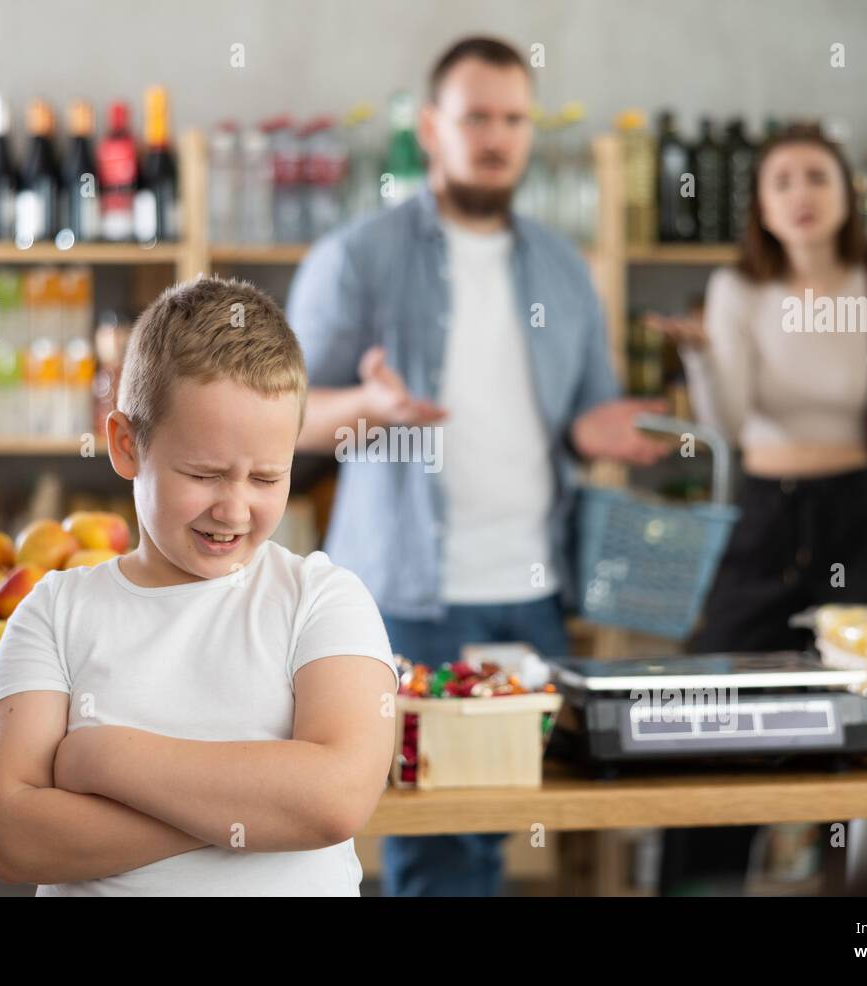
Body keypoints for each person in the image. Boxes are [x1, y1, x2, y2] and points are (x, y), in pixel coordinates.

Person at [287, 36, 670, 897]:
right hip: (403, 599)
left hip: (534, 593)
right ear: (430, 127)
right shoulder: (358, 257)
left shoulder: (566, 270)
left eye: (512, 119)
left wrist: (597, 437)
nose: (496, 137)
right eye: (475, 118)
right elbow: (285, 421)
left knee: (500, 825)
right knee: (432, 843)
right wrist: (367, 411)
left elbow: (584, 420)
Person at [0, 277, 401, 896]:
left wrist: (103, 759)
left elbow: (334, 801)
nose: (233, 509)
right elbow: (14, 840)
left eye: (265, 478)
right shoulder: (54, 613)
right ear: (127, 445)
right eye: (203, 474)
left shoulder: (325, 599)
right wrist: (255, 808)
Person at [647, 125, 867, 895]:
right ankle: (703, 886)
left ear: (845, 193)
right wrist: (698, 357)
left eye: (816, 177)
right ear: (759, 202)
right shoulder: (737, 288)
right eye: (782, 180)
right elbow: (728, 422)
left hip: (862, 511)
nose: (800, 193)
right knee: (709, 713)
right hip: (764, 516)